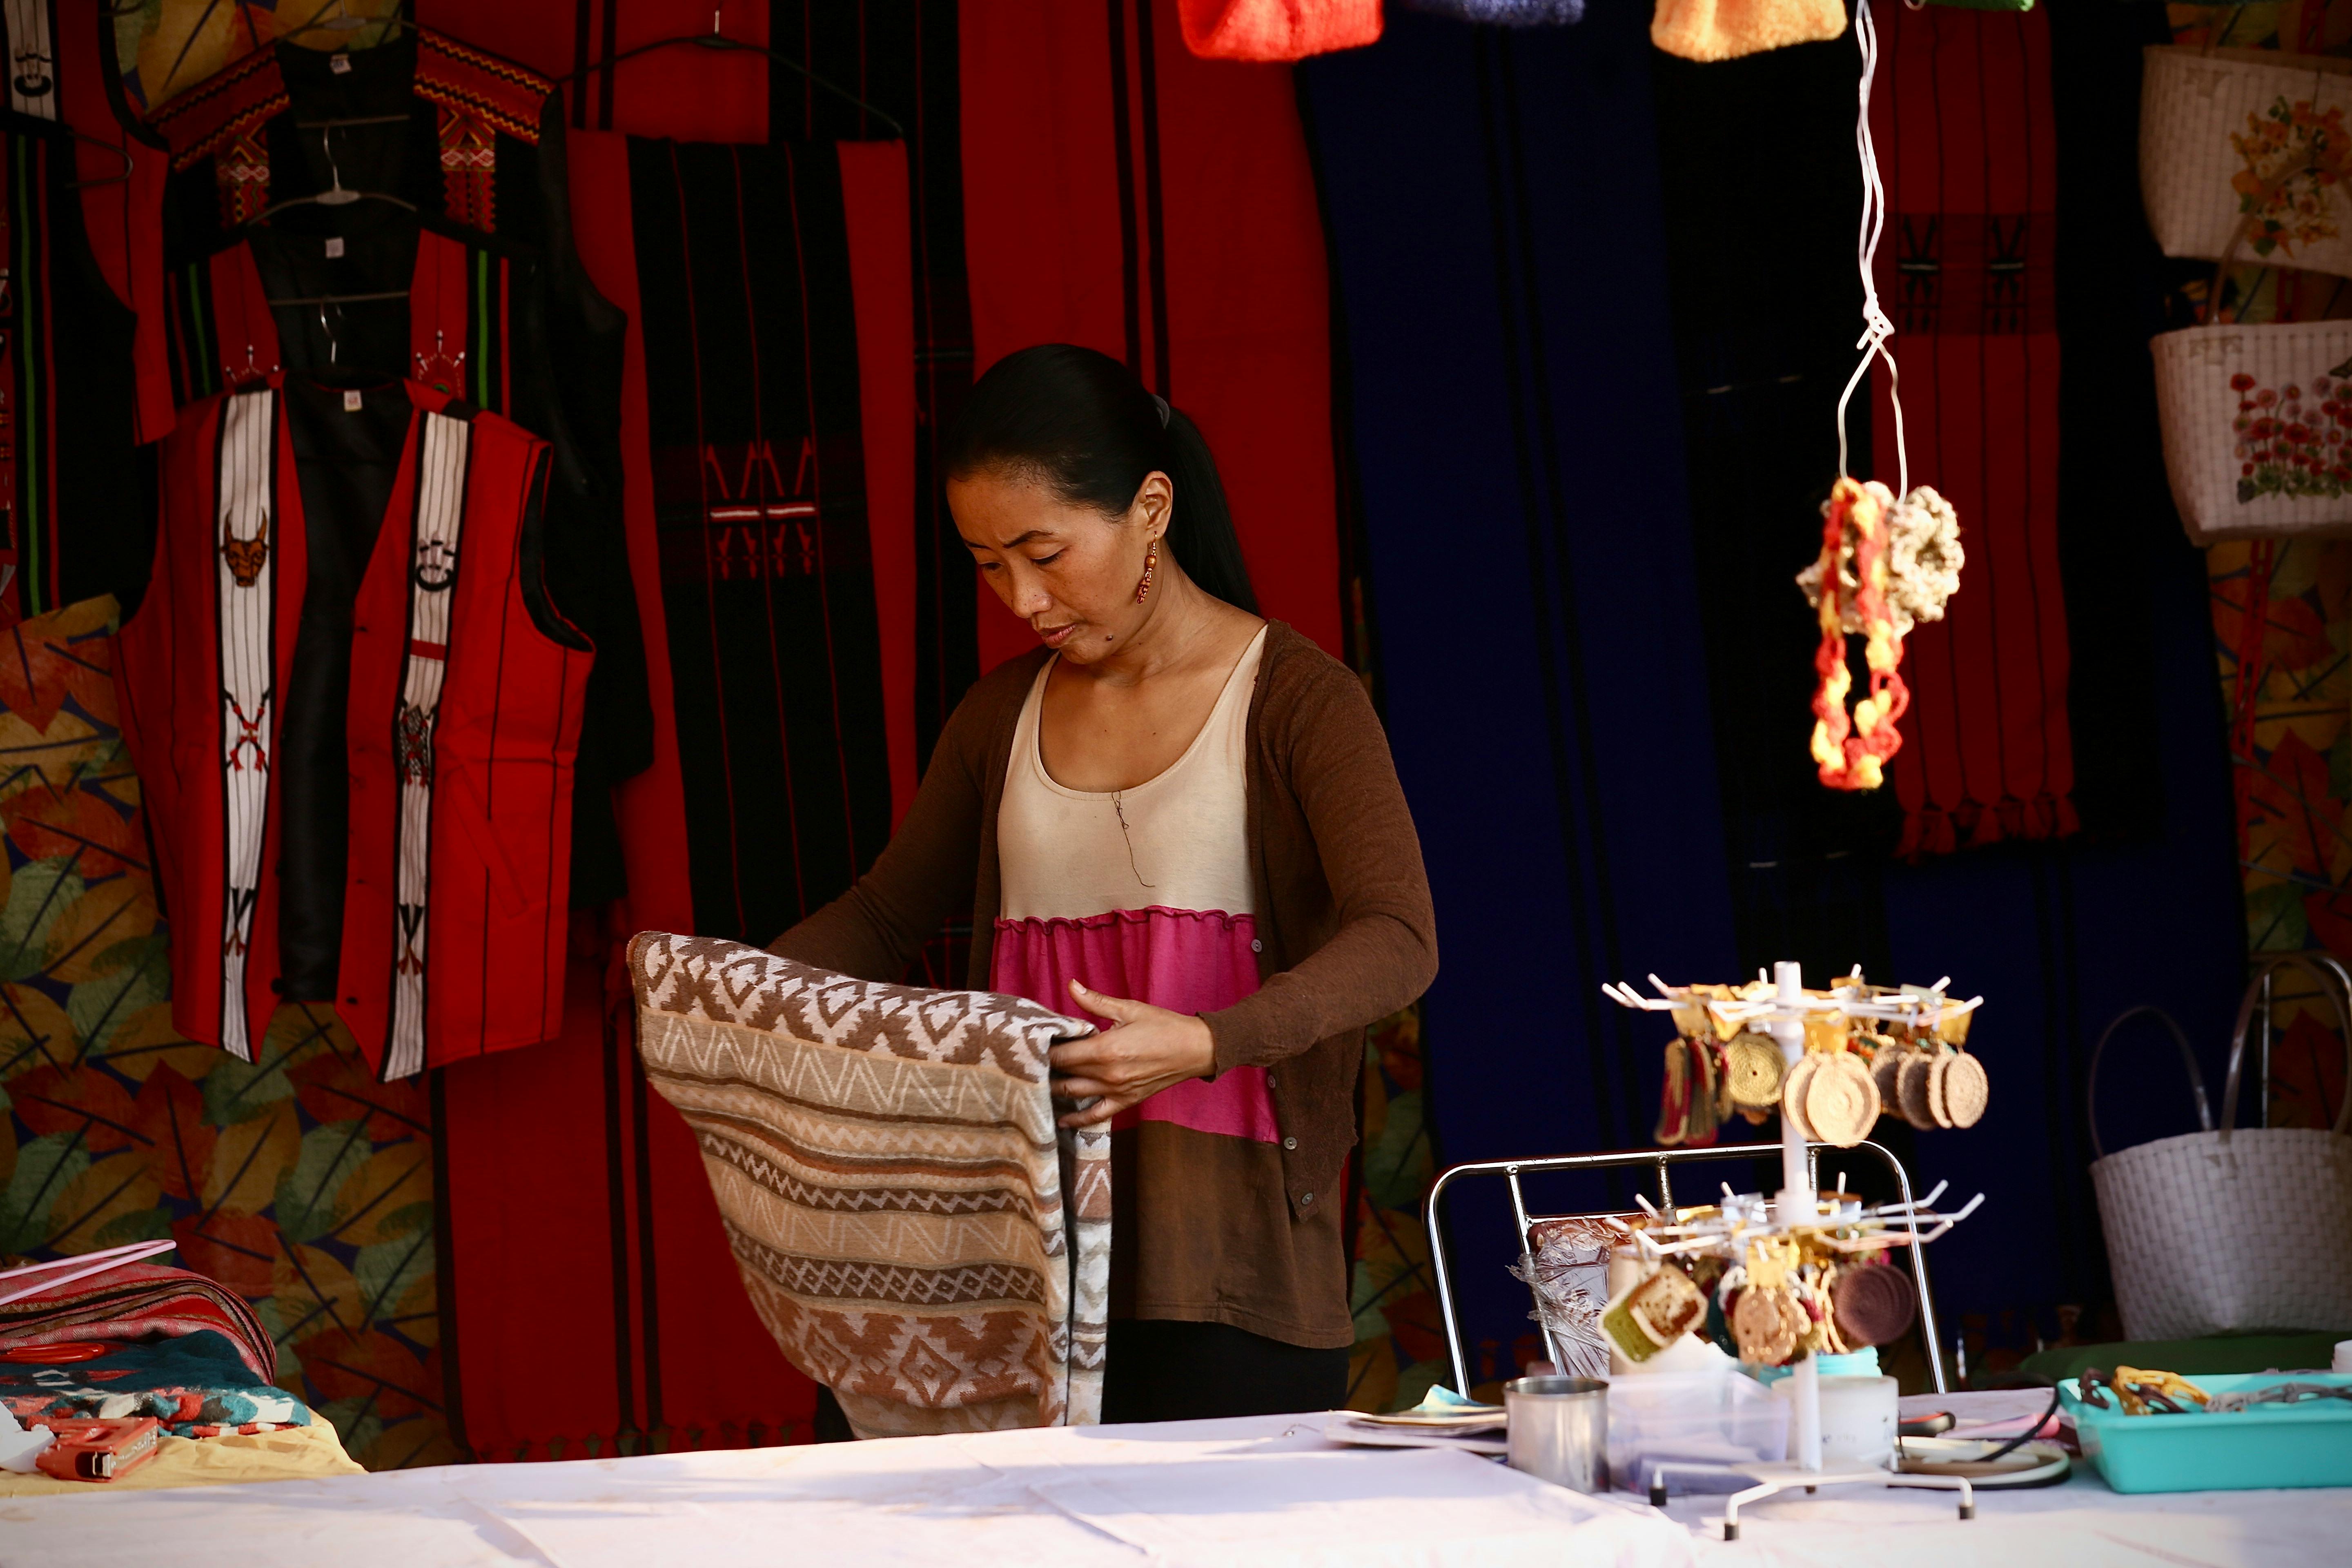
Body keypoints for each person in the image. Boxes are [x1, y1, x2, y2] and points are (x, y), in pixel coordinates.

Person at [768, 343, 1436, 1423]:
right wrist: (726, 991)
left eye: (1044, 553)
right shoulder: (1001, 717)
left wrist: (1208, 1040)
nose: (1022, 599)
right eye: (989, 565)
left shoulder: (1298, 701)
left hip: (1233, 1273)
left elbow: (1399, 937)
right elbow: (889, 914)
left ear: (1152, 508)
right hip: (1016, 1274)